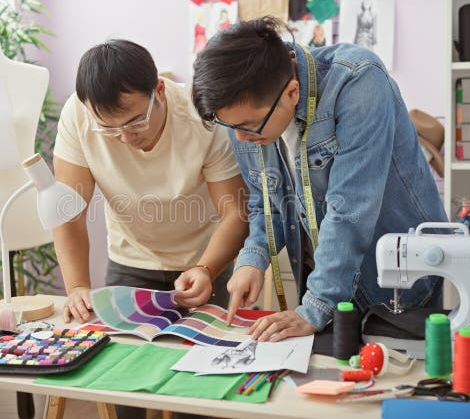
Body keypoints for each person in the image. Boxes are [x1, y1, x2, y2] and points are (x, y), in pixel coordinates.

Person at [191, 17, 446, 342]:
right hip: (325, 279)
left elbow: (349, 210)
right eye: (231, 127)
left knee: (394, 381)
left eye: (248, 126)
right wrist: (251, 260)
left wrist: (315, 306)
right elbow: (265, 203)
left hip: (396, 283)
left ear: (292, 92)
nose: (240, 139)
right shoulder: (244, 118)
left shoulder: (358, 81)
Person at [53, 39, 248, 324]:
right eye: (108, 128)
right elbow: (69, 213)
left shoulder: (201, 115)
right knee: (125, 356)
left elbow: (234, 212)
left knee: (203, 353)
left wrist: (207, 268)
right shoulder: (78, 116)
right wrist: (77, 287)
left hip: (204, 262)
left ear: (159, 91)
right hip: (129, 262)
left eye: (135, 122)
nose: (124, 137)